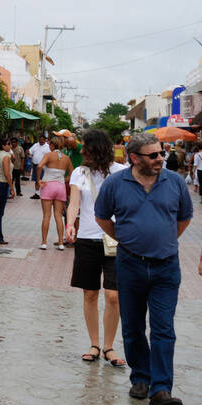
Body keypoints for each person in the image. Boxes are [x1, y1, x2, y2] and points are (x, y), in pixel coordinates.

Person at [94, 132, 194, 405]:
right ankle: (140, 377)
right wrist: (127, 239)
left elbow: (185, 217)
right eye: (154, 155)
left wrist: (165, 240)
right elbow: (101, 216)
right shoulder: (115, 183)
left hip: (166, 267)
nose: (161, 158)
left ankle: (161, 388)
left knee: (164, 328)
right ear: (134, 158)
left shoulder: (174, 182)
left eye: (161, 153)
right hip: (130, 264)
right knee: (134, 326)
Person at [64, 129, 128, 367]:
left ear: (97, 149)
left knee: (114, 296)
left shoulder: (121, 173)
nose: (81, 152)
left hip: (114, 240)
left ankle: (109, 347)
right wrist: (70, 224)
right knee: (90, 293)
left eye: (85, 148)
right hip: (87, 239)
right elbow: (74, 203)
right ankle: (94, 344)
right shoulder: (79, 174)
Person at [38, 135, 72, 250]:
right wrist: (63, 180)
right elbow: (71, 174)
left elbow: (39, 166)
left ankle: (43, 242)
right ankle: (61, 243)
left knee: (46, 215)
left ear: (52, 145)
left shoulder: (48, 155)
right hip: (60, 187)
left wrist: (39, 180)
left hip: (48, 185)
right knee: (58, 216)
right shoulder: (66, 158)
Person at [29, 134, 51, 200]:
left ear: (45, 140)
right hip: (36, 166)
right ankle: (37, 194)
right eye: (40, 140)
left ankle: (44, 193)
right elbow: (30, 152)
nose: (41, 141)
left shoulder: (47, 147)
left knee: (43, 180)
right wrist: (29, 154)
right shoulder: (35, 145)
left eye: (42, 140)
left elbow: (50, 156)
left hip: (43, 166)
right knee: (37, 180)